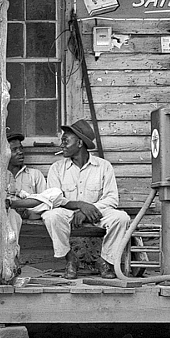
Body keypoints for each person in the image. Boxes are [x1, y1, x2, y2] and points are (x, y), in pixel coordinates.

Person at [41, 119, 131, 279]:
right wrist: (81, 206)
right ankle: (70, 259)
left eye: (65, 140)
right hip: (68, 214)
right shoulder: (57, 168)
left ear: (80, 143)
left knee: (121, 218)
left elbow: (112, 198)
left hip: (97, 214)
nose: (62, 145)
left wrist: (91, 208)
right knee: (50, 216)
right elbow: (54, 200)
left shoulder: (103, 166)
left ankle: (105, 261)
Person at [5, 129, 57, 246]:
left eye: (21, 148)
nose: (20, 152)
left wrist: (28, 211)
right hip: (3, 221)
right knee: (11, 215)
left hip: (31, 220)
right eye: (14, 150)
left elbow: (45, 203)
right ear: (3, 153)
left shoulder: (34, 175)